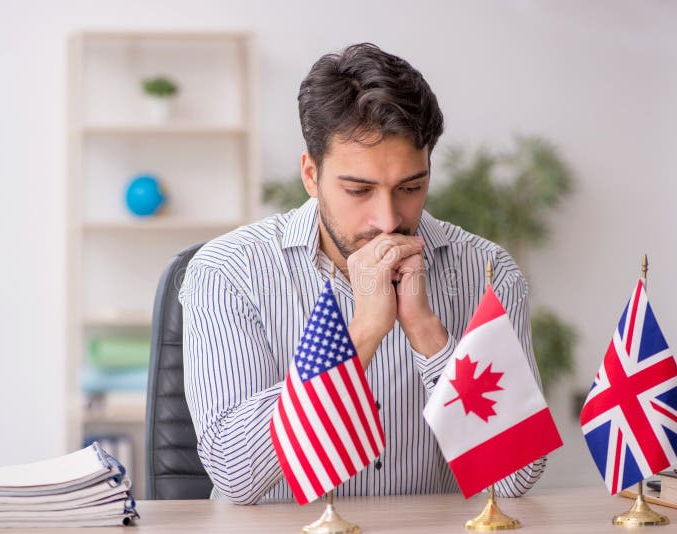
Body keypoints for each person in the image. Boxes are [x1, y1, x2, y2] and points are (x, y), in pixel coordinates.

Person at [180, 43, 546, 505]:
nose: (388, 219)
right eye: (359, 190)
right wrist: (363, 332)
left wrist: (428, 332)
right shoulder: (228, 272)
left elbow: (514, 479)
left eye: (411, 187)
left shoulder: (489, 274)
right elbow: (236, 477)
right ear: (311, 175)